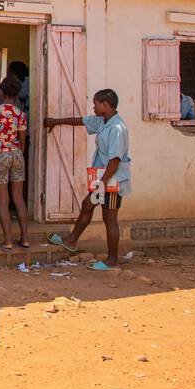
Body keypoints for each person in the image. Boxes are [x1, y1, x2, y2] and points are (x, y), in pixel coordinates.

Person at [45, 88, 132, 270]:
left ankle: (112, 259)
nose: (93, 106)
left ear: (105, 105)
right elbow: (81, 121)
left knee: (109, 218)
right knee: (87, 205)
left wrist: (101, 184)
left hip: (112, 180)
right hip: (102, 178)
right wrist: (56, 122)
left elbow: (115, 160)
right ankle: (71, 241)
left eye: (96, 103)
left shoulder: (117, 128)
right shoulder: (103, 121)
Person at [0, 76, 30, 250]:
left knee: (3, 200)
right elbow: (22, 140)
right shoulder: (20, 114)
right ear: (17, 94)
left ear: (1, 91)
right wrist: (19, 154)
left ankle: (8, 241)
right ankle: (25, 239)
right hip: (16, 154)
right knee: (18, 198)